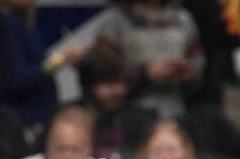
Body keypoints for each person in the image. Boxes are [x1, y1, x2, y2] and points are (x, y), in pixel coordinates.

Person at [43, 0, 205, 120]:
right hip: (125, 117)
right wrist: (145, 75)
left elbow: (199, 66)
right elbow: (100, 76)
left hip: (177, 111)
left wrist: (187, 73)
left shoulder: (184, 20)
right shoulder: (115, 22)